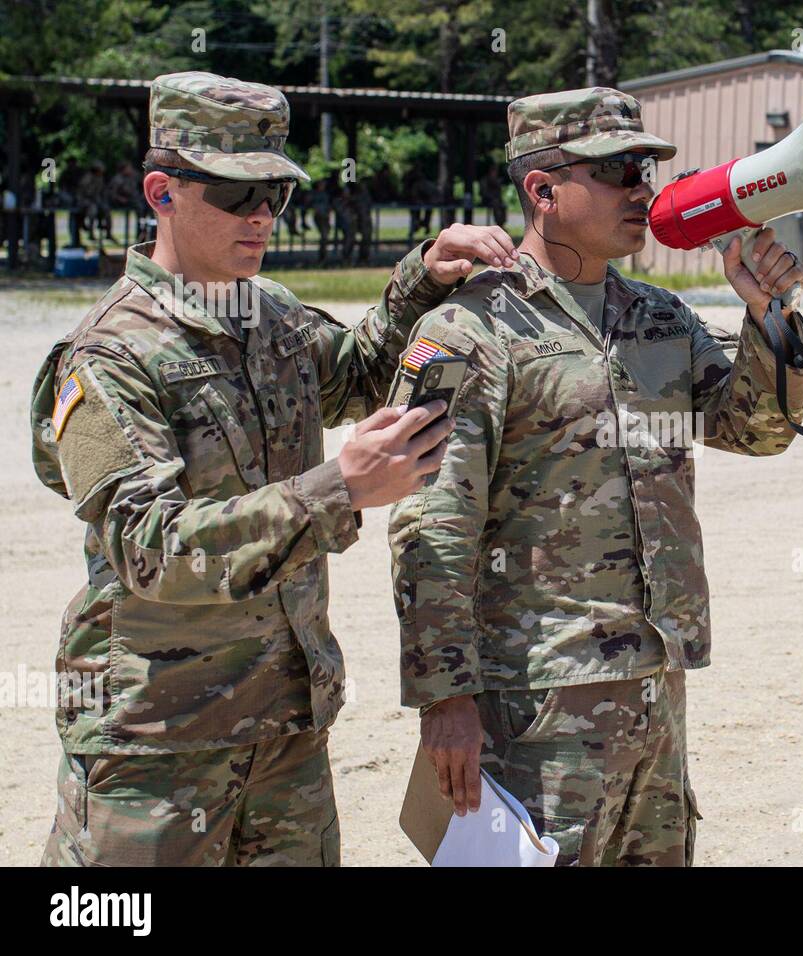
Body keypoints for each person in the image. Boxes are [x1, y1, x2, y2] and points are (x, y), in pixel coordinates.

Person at [29, 70, 519, 867]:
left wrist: (428, 271)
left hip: (287, 731)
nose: (260, 216)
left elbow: (360, 372)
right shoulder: (108, 353)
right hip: (157, 750)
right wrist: (341, 490)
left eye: (276, 197)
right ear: (162, 192)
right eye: (234, 195)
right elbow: (147, 547)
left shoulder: (271, 314)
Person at [387, 87, 803, 866]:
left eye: (645, 168)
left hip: (655, 679)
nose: (642, 189)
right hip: (537, 702)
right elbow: (432, 523)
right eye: (618, 170)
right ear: (543, 190)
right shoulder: (468, 330)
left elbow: (755, 429)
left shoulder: (660, 317)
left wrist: (771, 318)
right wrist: (444, 698)